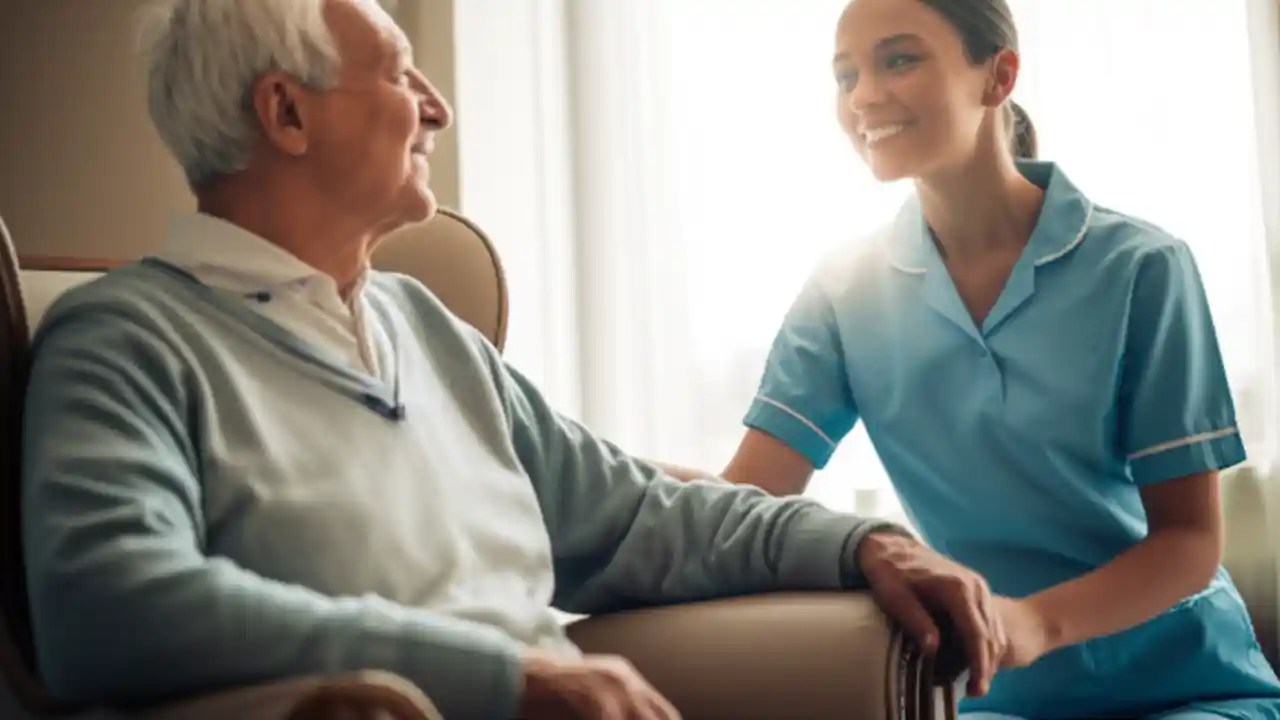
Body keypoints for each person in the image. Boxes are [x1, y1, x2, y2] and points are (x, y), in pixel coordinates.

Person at [18, 1, 1003, 719]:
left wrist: (859, 544)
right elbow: (109, 606)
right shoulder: (126, 340)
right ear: (287, 115)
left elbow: (637, 517)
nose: (436, 107)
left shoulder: (423, 326)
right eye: (399, 74)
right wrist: (501, 676)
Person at [674, 0, 1280, 717]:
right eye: (846, 75)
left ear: (999, 76)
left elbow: (1188, 540)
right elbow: (747, 502)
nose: (864, 95)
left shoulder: (1143, 268)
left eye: (900, 59)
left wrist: (1034, 623)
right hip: (994, 698)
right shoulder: (842, 292)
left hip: (1187, 688)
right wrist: (588, 475)